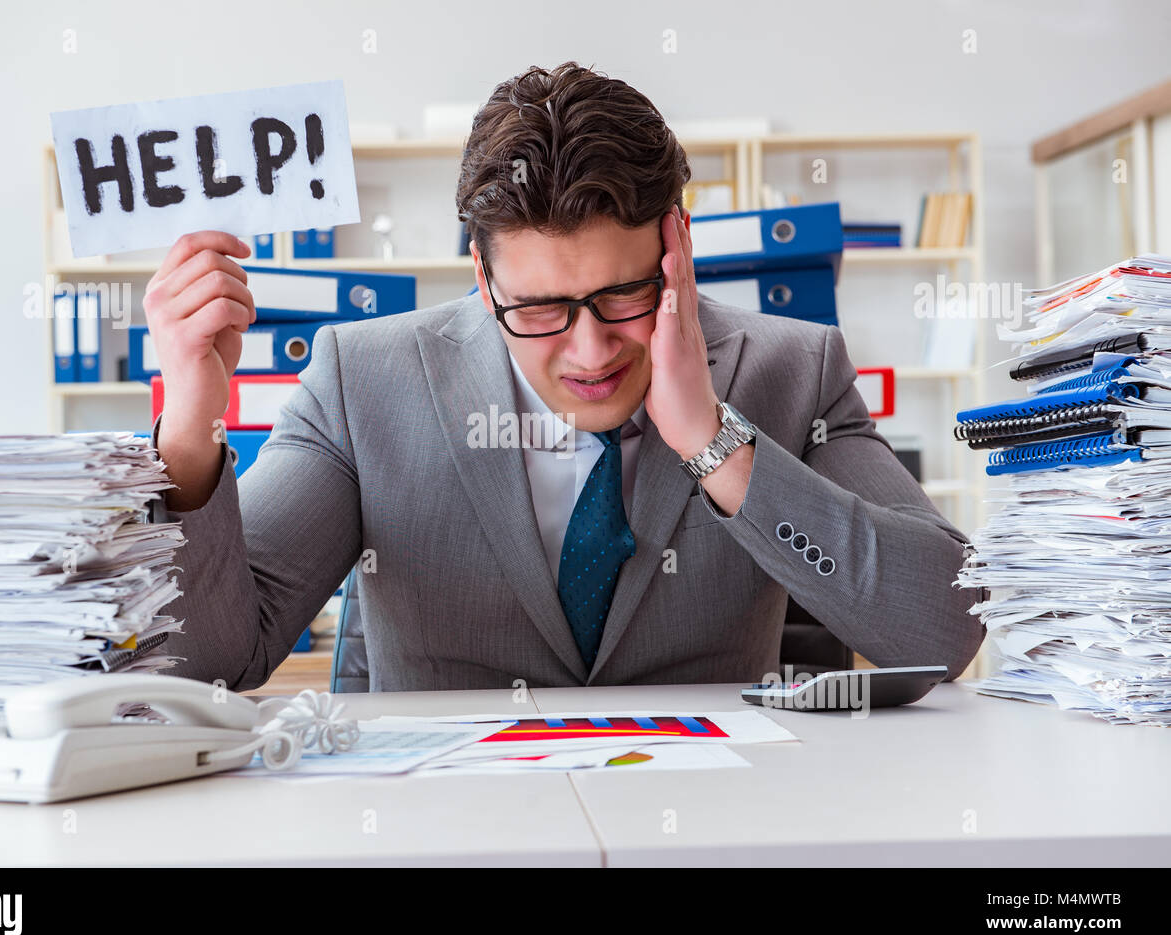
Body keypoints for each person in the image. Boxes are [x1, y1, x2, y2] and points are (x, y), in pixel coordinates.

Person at [142, 61, 985, 692]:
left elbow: (945, 629)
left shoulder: (794, 369)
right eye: (540, 308)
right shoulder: (363, 383)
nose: (589, 352)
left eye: (624, 294)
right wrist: (188, 427)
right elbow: (209, 663)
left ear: (676, 248)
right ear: (482, 276)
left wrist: (712, 441)